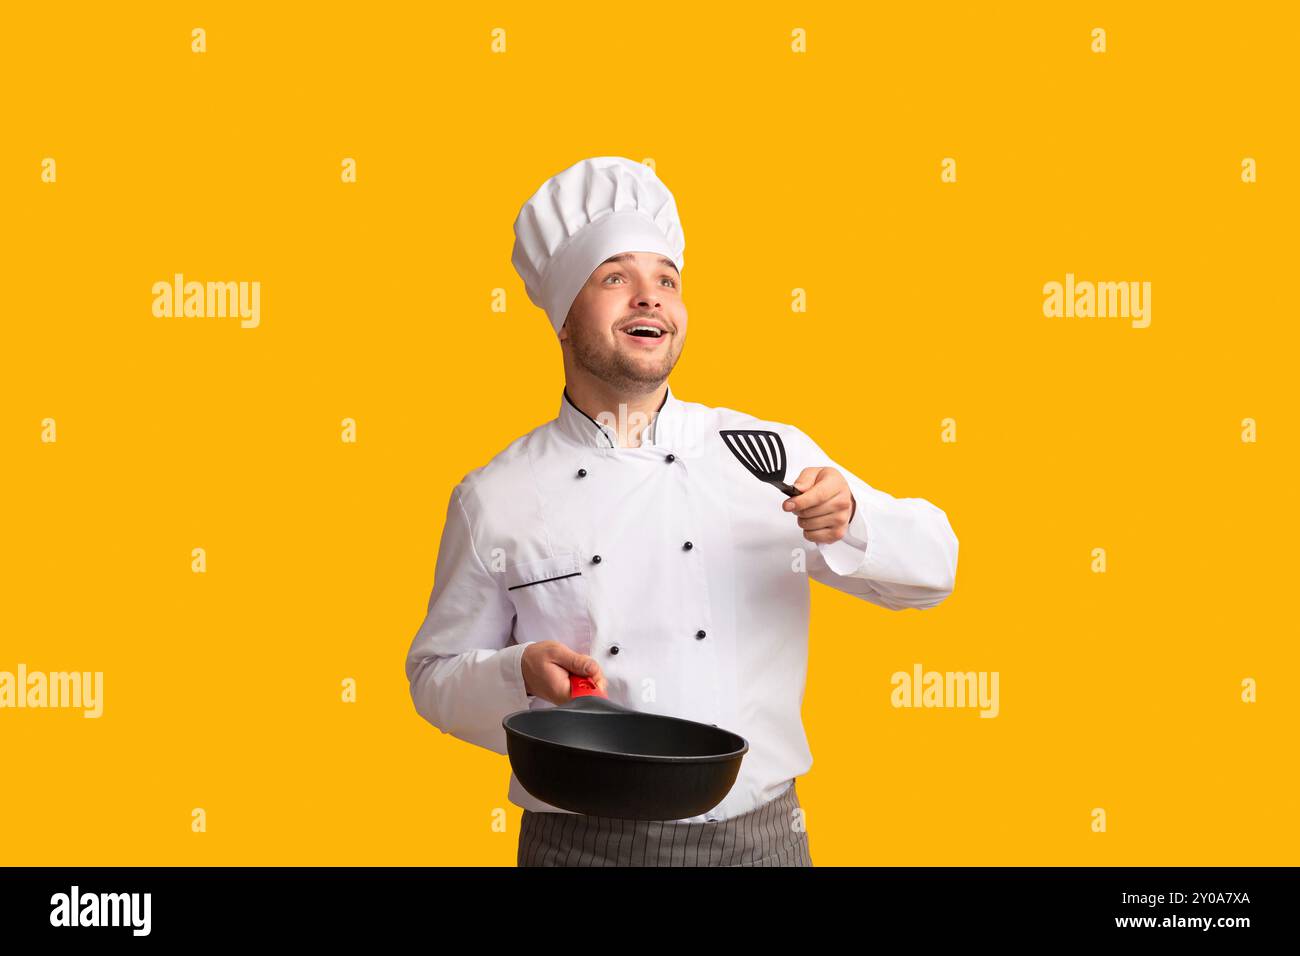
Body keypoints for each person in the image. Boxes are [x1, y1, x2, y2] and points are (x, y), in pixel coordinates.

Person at [405, 156, 959, 866]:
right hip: (584, 844)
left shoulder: (764, 454)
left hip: (760, 838)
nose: (649, 297)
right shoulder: (495, 496)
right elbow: (434, 675)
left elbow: (936, 571)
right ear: (563, 318)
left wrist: (854, 518)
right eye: (615, 278)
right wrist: (517, 671)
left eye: (666, 279)